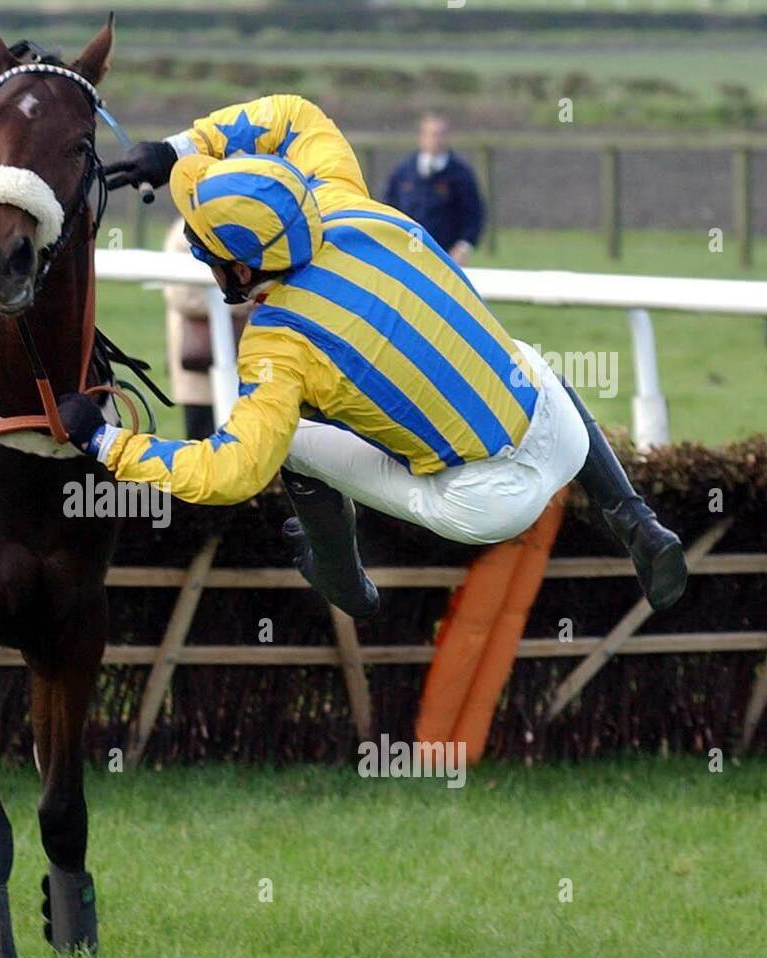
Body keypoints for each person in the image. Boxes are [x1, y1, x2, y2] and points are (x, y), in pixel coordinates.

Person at [59, 94, 686, 615]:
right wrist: (178, 150)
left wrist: (106, 445)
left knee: (289, 443)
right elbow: (296, 116)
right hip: (564, 438)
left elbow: (234, 472)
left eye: (205, 250)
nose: (201, 257)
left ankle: (344, 582)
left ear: (242, 266)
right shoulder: (342, 196)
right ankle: (634, 517)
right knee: (522, 356)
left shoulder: (277, 339)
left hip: (488, 503)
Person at [162, 219, 252, 440]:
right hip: (198, 370)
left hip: (241, 362)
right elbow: (183, 296)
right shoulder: (183, 232)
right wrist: (246, 299)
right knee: (201, 441)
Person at [383, 111, 484, 266]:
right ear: (421, 137)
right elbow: (389, 207)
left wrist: (463, 247)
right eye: (431, 134)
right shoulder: (404, 171)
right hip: (408, 255)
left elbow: (473, 214)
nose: (436, 140)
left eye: (440, 134)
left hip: (445, 256)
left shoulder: (460, 174)